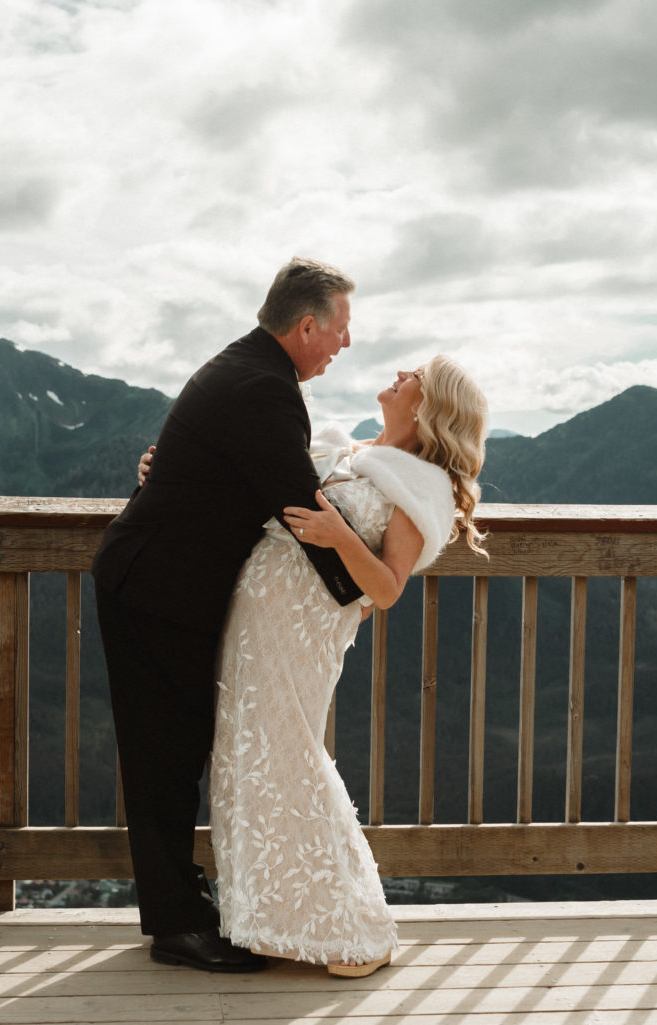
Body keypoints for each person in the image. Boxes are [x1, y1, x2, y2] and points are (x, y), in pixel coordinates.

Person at [91, 258, 365, 974]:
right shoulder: (264, 389)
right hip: (154, 586)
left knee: (175, 748)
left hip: (160, 581)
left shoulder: (246, 369)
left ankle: (183, 906)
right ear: (306, 325)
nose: (344, 345)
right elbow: (301, 506)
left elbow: (201, 469)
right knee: (164, 755)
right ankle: (178, 926)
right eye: (340, 331)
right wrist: (363, 587)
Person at [208, 356, 489, 978]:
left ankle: (356, 930)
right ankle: (270, 920)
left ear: (429, 404)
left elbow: (386, 589)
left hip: (304, 626)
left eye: (414, 372)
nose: (399, 371)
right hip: (255, 614)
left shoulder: (419, 483)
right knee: (246, 749)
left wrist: (339, 535)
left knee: (286, 749)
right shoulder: (347, 449)